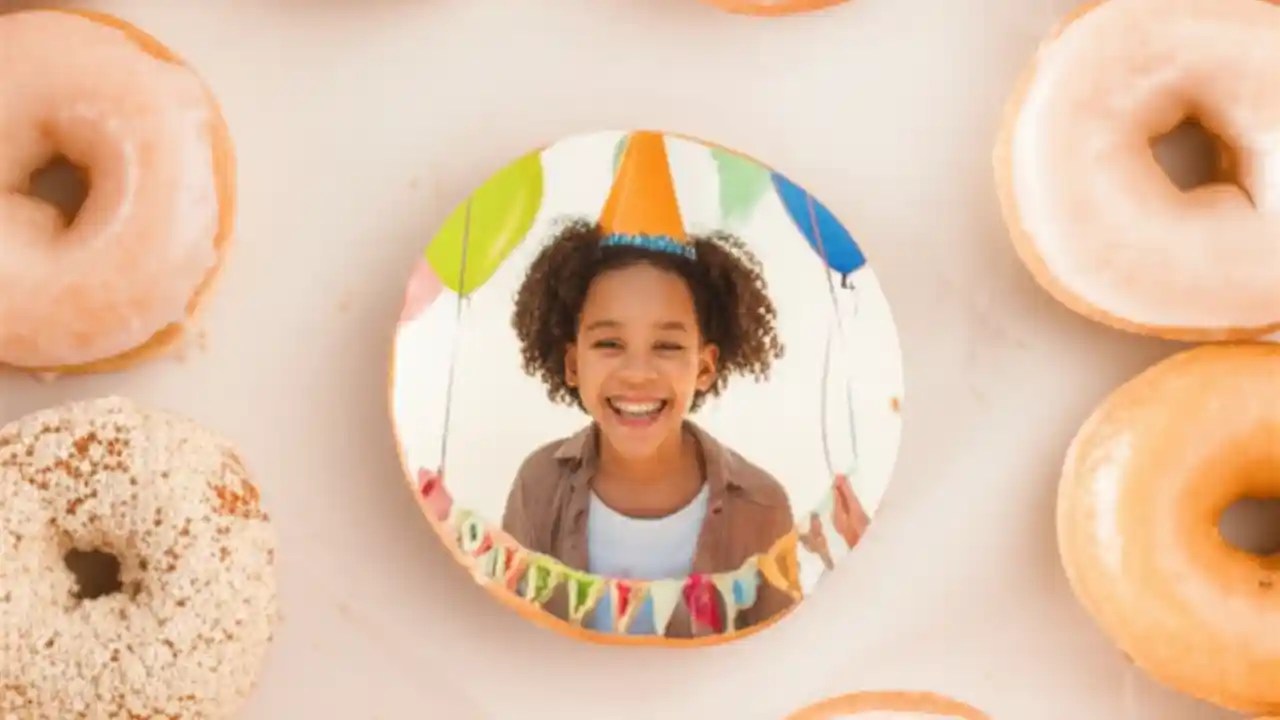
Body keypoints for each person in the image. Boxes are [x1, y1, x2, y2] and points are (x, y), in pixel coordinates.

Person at [501, 132, 797, 638]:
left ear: (703, 367)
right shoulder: (539, 487)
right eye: (609, 344)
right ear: (572, 364)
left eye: (666, 346)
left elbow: (780, 658)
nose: (637, 373)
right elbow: (505, 636)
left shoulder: (761, 506)